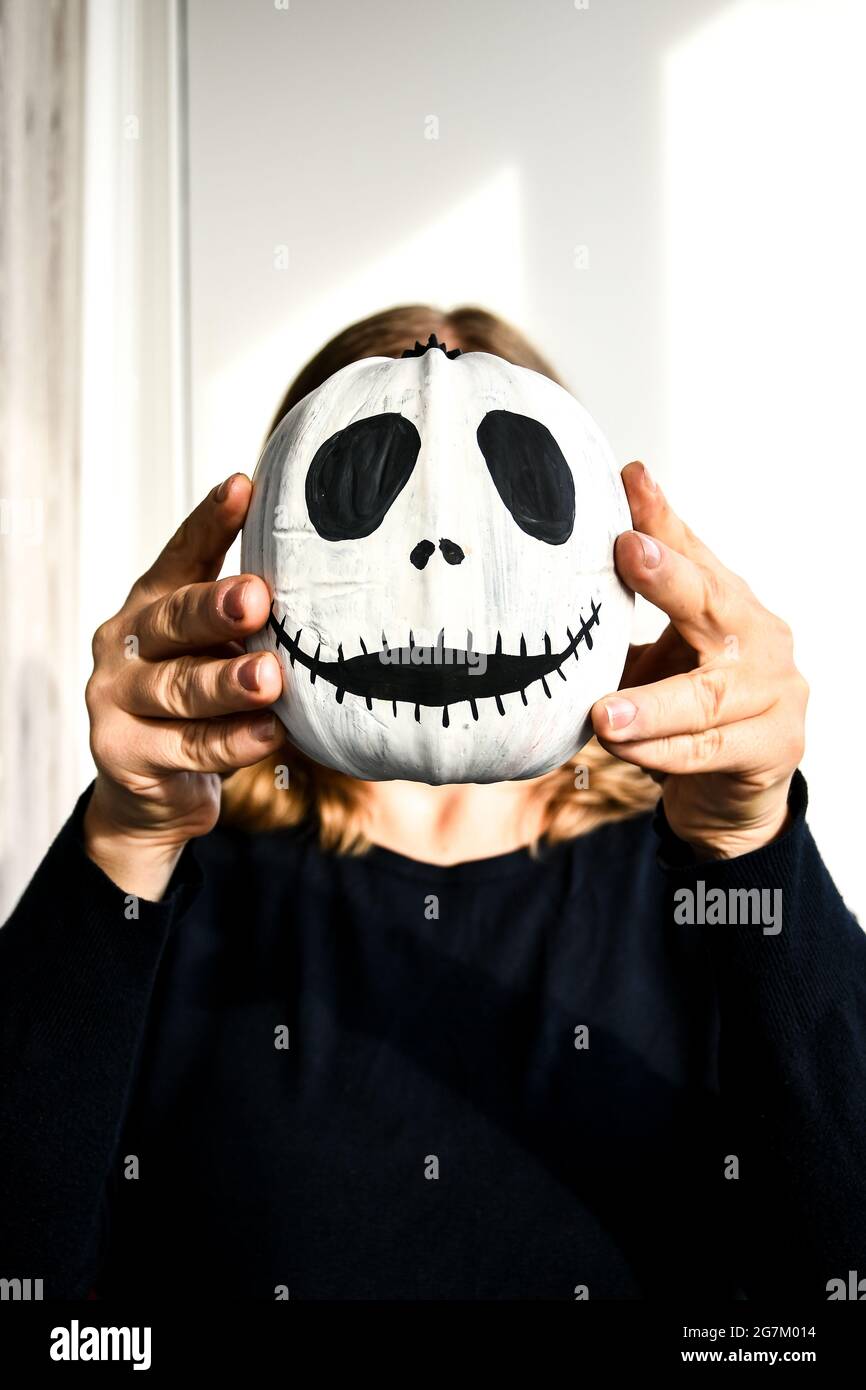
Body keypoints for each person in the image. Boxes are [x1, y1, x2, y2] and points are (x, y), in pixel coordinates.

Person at [0, 305, 862, 1301]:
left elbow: (838, 1274)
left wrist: (750, 846)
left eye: (517, 500)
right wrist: (123, 838)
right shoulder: (174, 884)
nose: (440, 559)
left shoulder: (699, 890)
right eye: (364, 493)